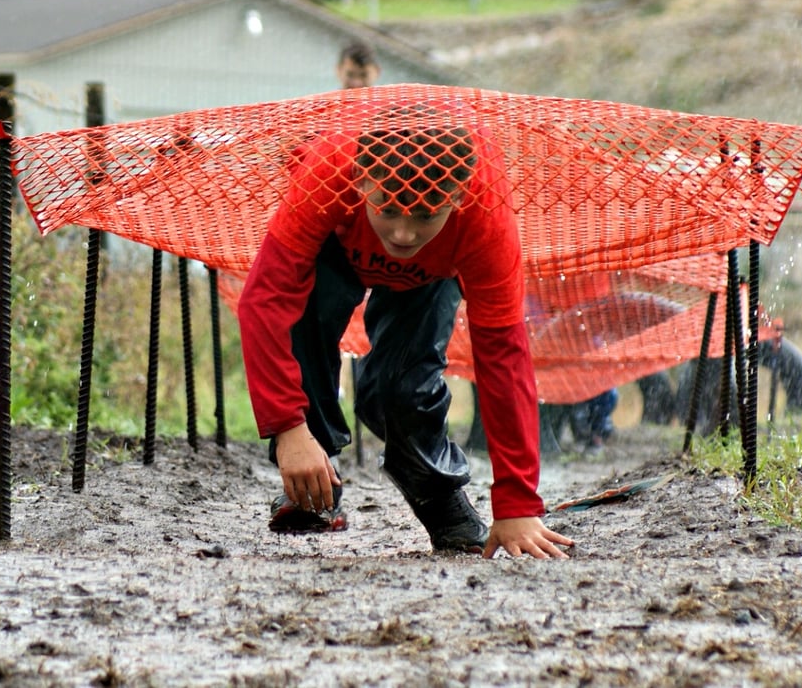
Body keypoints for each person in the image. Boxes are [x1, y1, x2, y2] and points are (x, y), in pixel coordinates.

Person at [236, 113, 575, 559]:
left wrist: (516, 504)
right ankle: (314, 486)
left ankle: (440, 500)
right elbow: (263, 302)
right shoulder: (328, 170)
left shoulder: (485, 216)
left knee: (401, 389)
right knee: (307, 319)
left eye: (424, 213)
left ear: (456, 197)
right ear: (361, 181)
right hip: (335, 244)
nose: (402, 232)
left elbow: (504, 358)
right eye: (390, 208)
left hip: (432, 272)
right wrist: (288, 428)